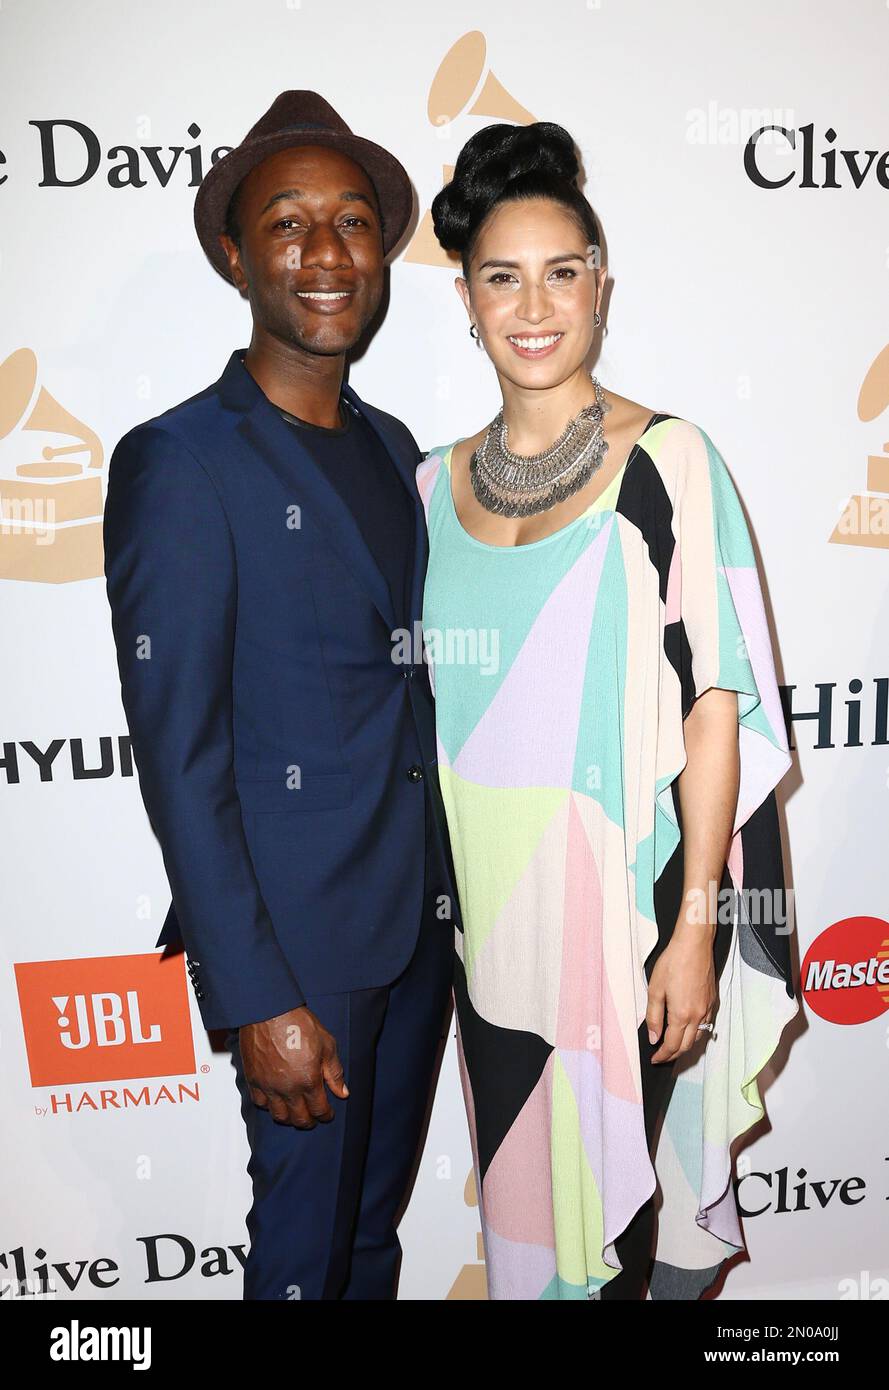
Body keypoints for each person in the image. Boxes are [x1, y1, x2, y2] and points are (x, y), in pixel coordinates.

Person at [417, 121, 799, 1300]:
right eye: (500, 276)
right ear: (469, 303)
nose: (533, 305)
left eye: (561, 272)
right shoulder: (423, 487)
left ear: (601, 289)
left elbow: (716, 711)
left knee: (629, 1245)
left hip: (631, 928)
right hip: (491, 948)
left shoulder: (669, 462)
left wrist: (693, 930)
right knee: (534, 1238)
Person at [103, 91, 459, 1301]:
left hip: (416, 935)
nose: (325, 253)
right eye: (289, 223)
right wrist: (254, 995)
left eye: (353, 223)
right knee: (302, 1262)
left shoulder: (389, 444)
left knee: (368, 1244)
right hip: (296, 955)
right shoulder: (183, 459)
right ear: (234, 254)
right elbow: (181, 756)